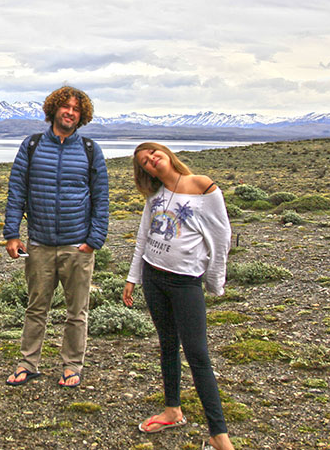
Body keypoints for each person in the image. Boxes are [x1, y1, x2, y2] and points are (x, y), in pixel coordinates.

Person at [122, 143, 235, 450]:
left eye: (153, 153)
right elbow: (143, 237)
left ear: (167, 153)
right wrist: (133, 277)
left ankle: (219, 436)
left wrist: (214, 281)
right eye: (144, 162)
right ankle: (173, 409)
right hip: (153, 276)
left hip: (186, 282)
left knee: (198, 354)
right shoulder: (155, 195)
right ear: (145, 171)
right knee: (168, 345)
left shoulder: (201, 185)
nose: (151, 160)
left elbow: (221, 236)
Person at [3, 86, 109, 388]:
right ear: (54, 110)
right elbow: (17, 192)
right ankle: (28, 363)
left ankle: (72, 366)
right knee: (36, 307)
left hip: (78, 245)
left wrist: (94, 239)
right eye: (65, 107)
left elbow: (101, 198)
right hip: (39, 243)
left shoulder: (90, 149)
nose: (70, 113)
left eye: (76, 109)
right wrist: (12, 233)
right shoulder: (33, 145)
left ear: (82, 115)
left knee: (77, 311)